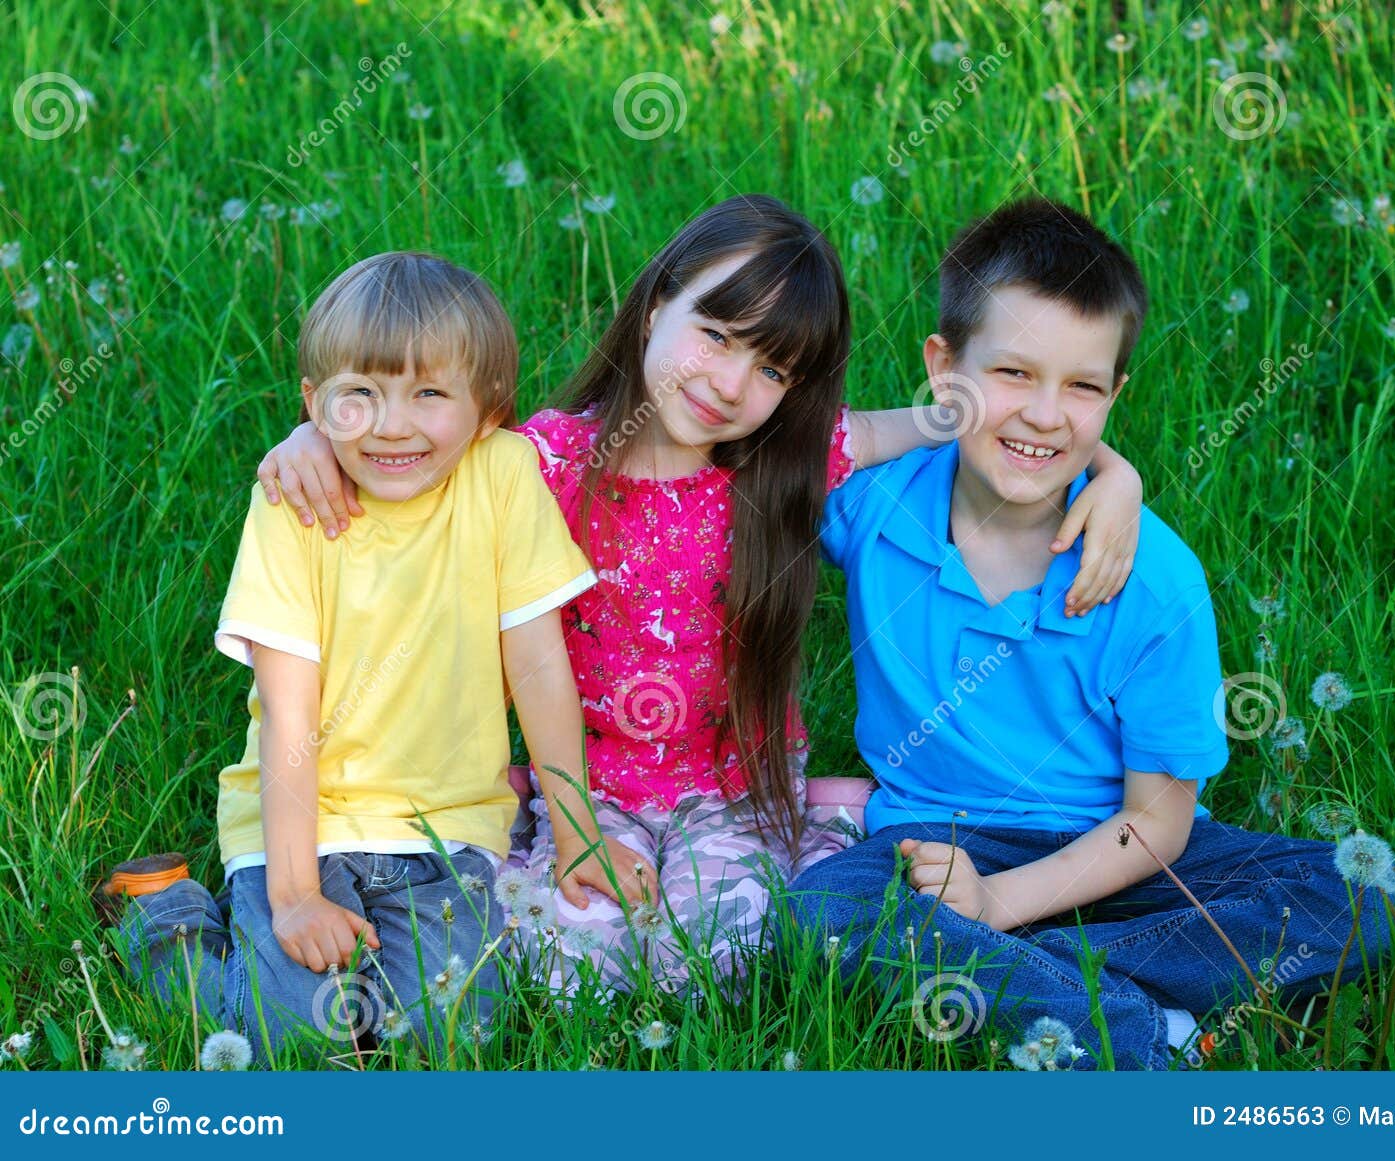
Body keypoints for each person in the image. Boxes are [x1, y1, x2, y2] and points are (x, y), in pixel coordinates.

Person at [253, 195, 1147, 1001]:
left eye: (772, 370)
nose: (730, 384)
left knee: (733, 955)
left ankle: (813, 830)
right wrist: (309, 439)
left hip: (732, 785)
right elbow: (415, 441)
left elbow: (967, 415)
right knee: (554, 966)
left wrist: (1113, 470)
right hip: (589, 785)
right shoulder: (541, 463)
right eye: (715, 335)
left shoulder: (785, 465)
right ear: (654, 307)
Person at [784, 197, 1395, 1069]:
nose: (1046, 416)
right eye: (1012, 373)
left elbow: (1158, 820)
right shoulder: (876, 506)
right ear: (943, 368)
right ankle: (1138, 1027)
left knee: (1374, 893)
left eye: (1081, 387)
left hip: (1125, 857)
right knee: (819, 915)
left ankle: (1059, 986)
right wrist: (1113, 468)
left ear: (1115, 395)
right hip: (931, 843)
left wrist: (997, 904)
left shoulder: (1155, 581)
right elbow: (779, 435)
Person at [104, 251, 608, 1059]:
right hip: (309, 824)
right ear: (314, 404)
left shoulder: (506, 475)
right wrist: (298, 894)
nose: (391, 423)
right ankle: (164, 919)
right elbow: (290, 715)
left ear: (488, 413)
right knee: (298, 1038)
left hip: (449, 827)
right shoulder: (293, 504)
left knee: (451, 1037)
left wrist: (576, 828)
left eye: (430, 393)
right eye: (359, 395)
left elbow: (540, 666)